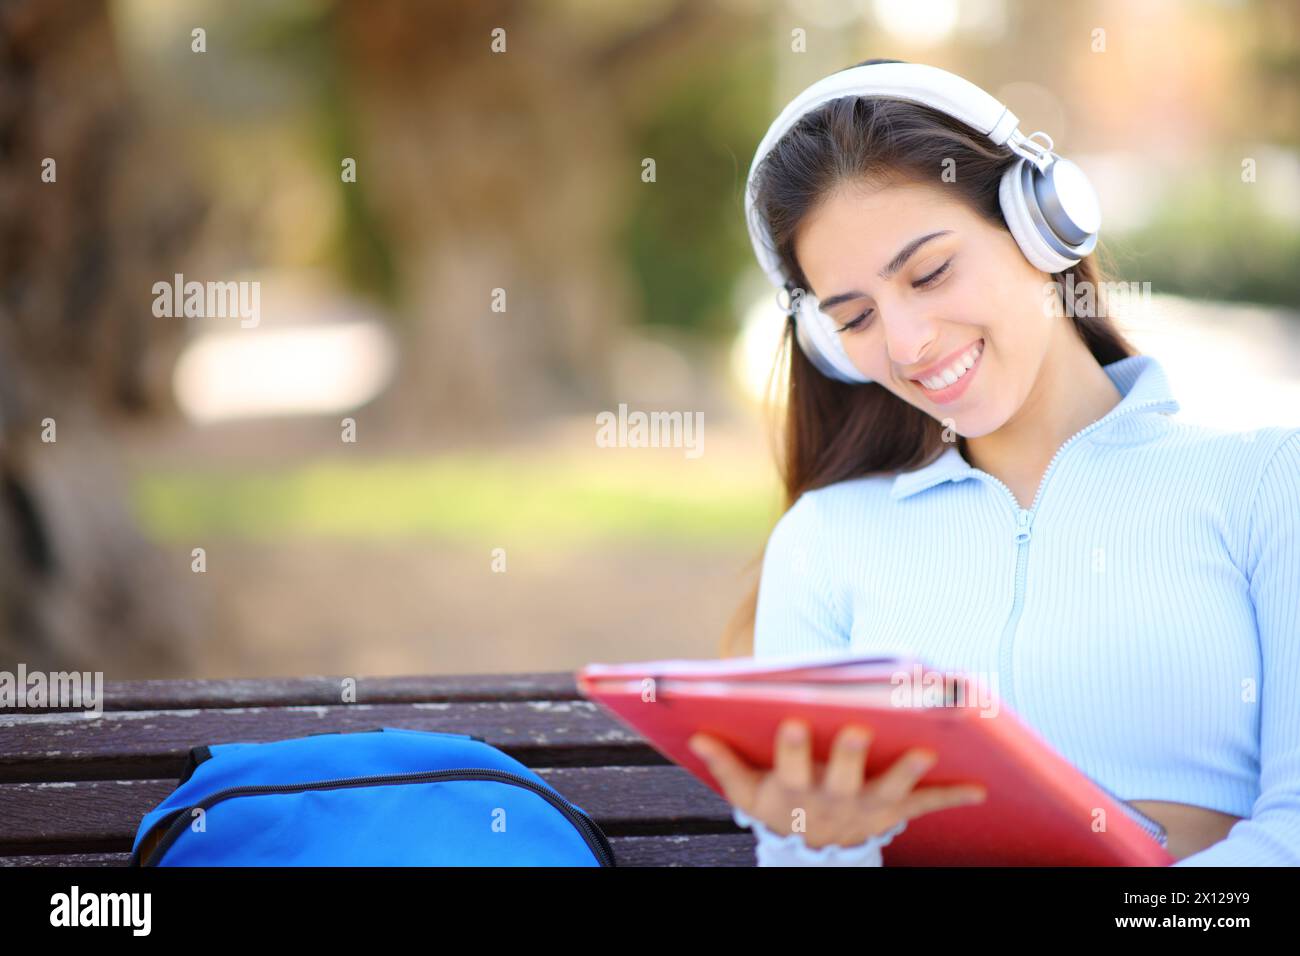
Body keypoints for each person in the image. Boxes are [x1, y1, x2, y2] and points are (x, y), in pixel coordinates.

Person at [687, 58, 1300, 867]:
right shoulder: (825, 538)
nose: (907, 344)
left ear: (1042, 222)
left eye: (931, 272)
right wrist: (823, 846)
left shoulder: (1264, 483)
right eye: (857, 317)